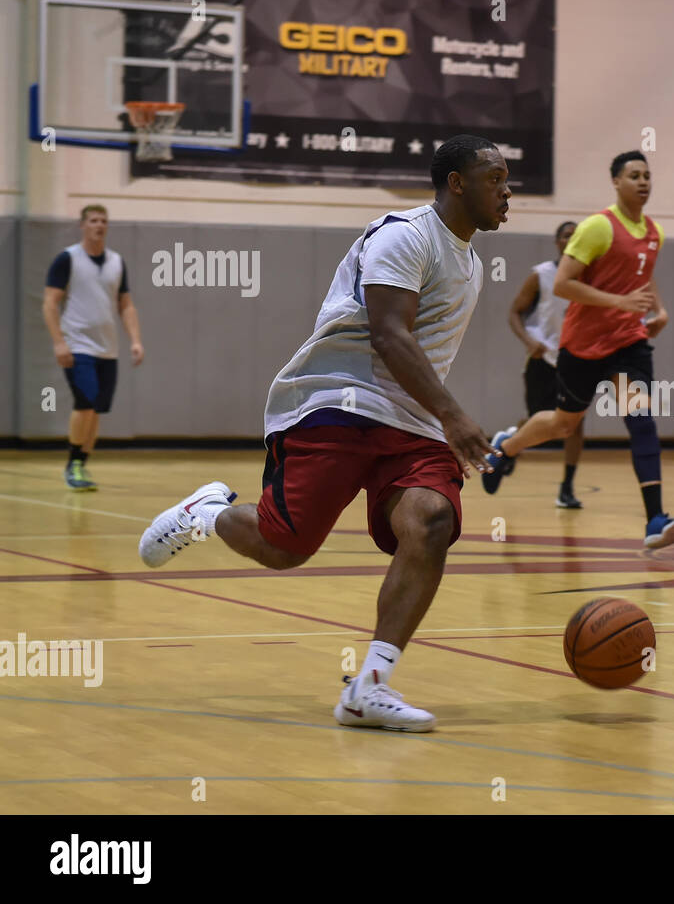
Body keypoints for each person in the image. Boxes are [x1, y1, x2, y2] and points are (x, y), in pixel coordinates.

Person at [136, 135, 508, 732]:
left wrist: (437, 417)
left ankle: (370, 687)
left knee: (432, 521)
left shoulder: (471, 261)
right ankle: (208, 512)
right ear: (457, 182)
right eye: (496, 178)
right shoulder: (404, 236)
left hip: (409, 420)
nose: (507, 191)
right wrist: (454, 415)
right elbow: (389, 335)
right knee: (285, 548)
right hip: (338, 398)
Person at [479, 151, 674, 549]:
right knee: (563, 424)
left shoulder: (654, 233)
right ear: (616, 182)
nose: (643, 182)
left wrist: (658, 311)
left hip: (629, 342)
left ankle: (655, 521)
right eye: (634, 175)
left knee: (640, 418)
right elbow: (563, 284)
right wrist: (617, 303)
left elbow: (643, 279)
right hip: (583, 345)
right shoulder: (597, 227)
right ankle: (505, 448)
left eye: (647, 175)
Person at [41, 205, 144, 490]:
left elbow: (126, 305)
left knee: (96, 409)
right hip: (77, 345)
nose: (99, 225)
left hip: (107, 348)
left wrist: (135, 340)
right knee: (85, 402)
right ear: (82, 225)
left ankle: (82, 463)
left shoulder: (116, 262)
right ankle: (73, 463)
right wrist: (59, 342)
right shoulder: (68, 259)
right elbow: (50, 302)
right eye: (93, 220)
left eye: (103, 221)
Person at [507, 220, 585, 508]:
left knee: (574, 425)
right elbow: (514, 312)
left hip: (576, 360)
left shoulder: (589, 277)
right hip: (543, 358)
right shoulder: (541, 275)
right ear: (557, 241)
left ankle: (567, 487)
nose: (571, 240)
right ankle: (510, 445)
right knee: (540, 421)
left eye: (576, 237)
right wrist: (529, 341)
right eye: (566, 235)